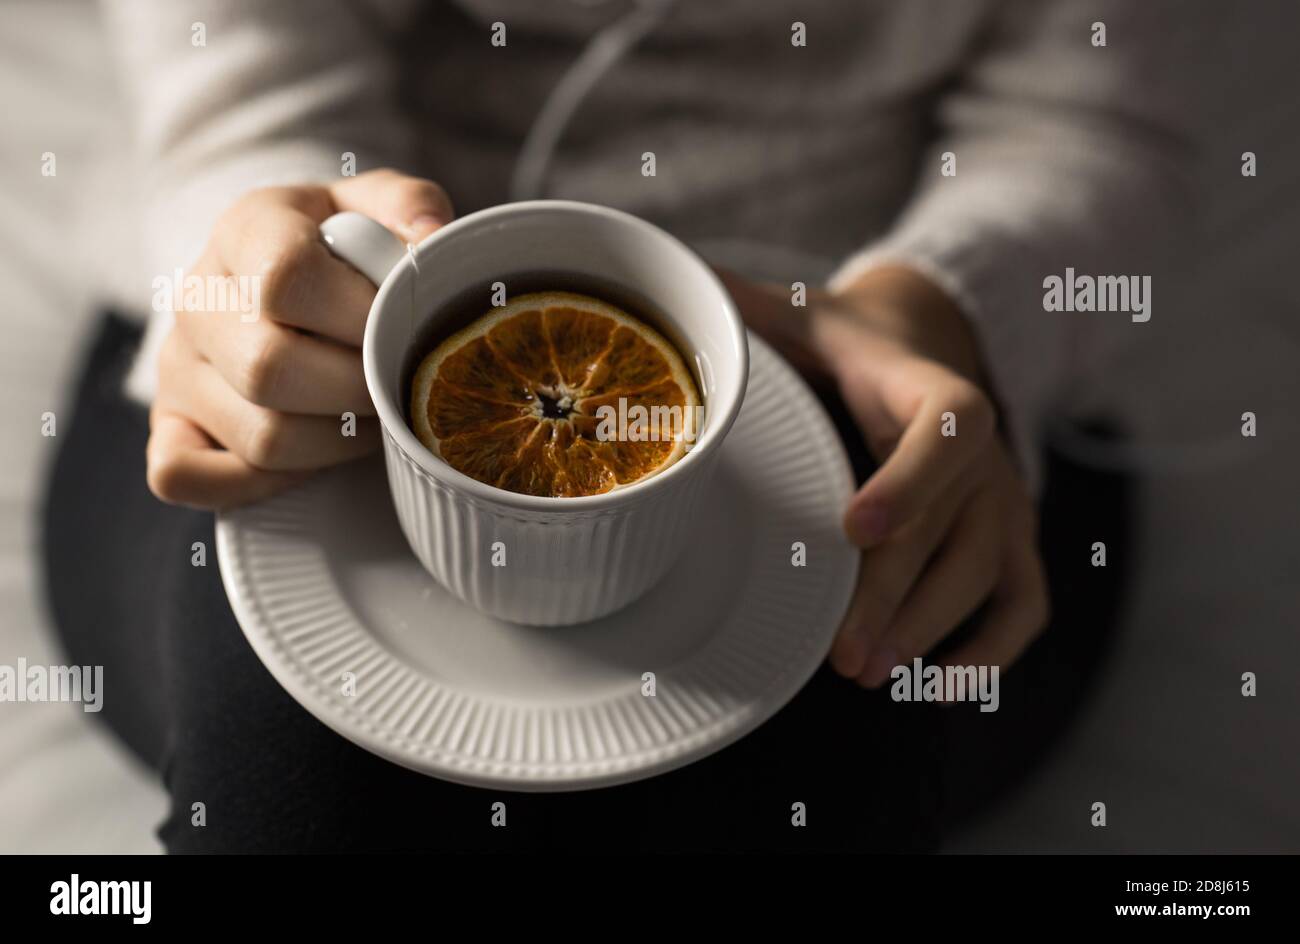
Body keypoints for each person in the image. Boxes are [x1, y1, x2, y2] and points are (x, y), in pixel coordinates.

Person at [44, 0, 1193, 851]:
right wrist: (270, 267)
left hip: (865, 324)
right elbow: (246, 64)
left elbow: (1096, 119)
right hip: (347, 302)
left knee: (816, 769)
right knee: (289, 788)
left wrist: (942, 306)